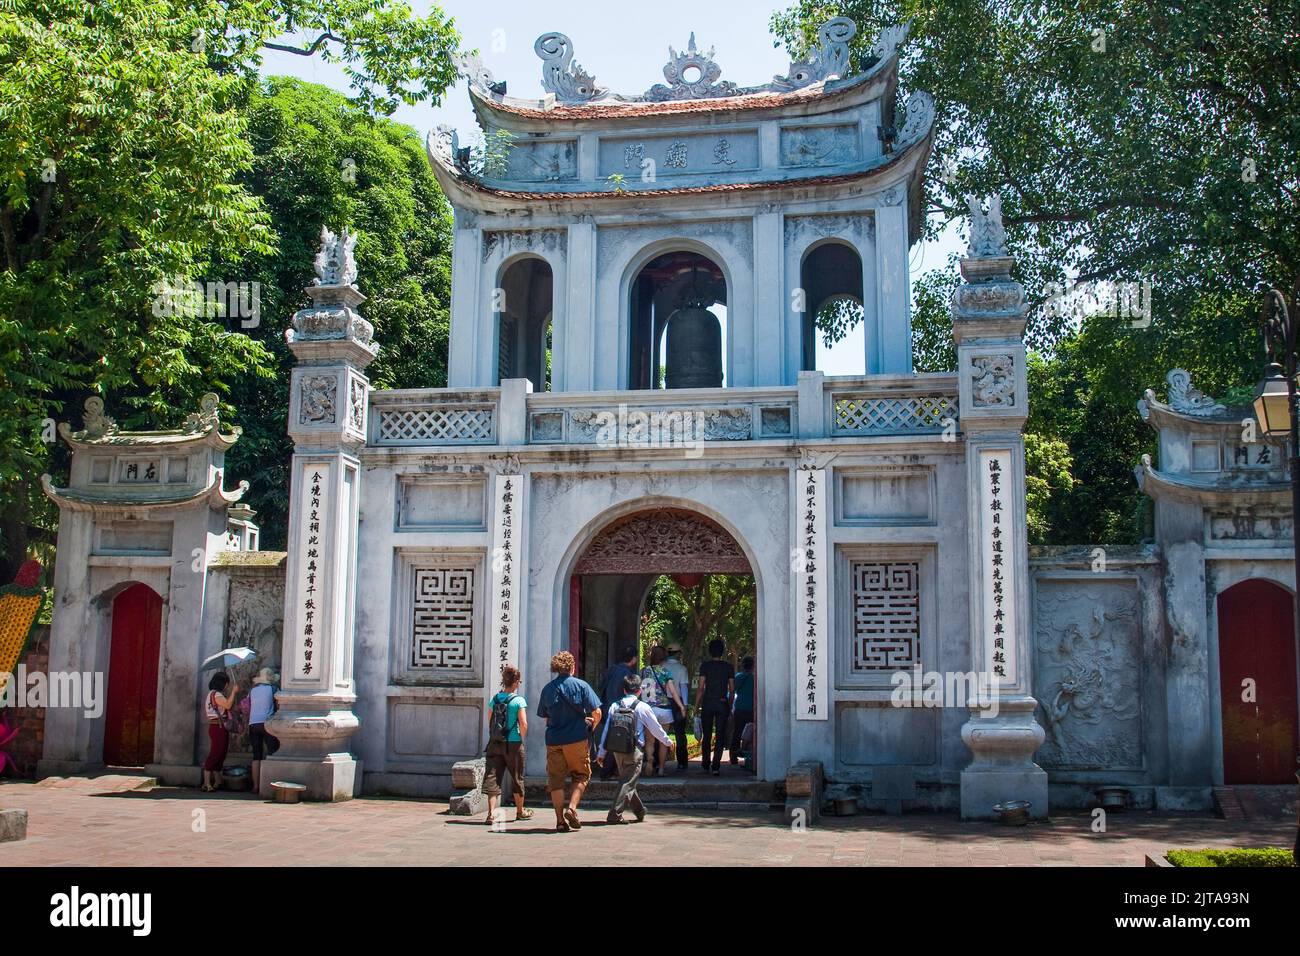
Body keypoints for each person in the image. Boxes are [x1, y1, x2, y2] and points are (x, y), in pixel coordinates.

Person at [536, 651, 602, 832]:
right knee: (581, 775)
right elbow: (597, 713)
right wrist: (590, 728)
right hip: (576, 739)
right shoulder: (581, 686)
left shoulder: (548, 689)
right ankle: (572, 808)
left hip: (553, 740)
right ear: (572, 667)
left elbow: (545, 717)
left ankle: (559, 821)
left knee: (555, 780)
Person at [595, 674, 674, 824]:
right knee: (627, 782)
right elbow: (655, 728)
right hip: (634, 750)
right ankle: (615, 814)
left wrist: (601, 753)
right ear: (640, 690)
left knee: (628, 780)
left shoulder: (614, 706)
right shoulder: (643, 707)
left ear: (624, 690)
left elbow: (607, 731)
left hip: (617, 750)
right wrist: (668, 742)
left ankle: (639, 811)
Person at [483, 664, 532, 825]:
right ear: (516, 681)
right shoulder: (518, 700)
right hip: (513, 744)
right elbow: (524, 724)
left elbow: (489, 720)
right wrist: (519, 736)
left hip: (495, 743)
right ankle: (520, 811)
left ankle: (491, 813)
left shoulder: (495, 699)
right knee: (517, 777)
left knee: (493, 777)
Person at [639, 645, 685, 777]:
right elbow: (673, 691)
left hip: (649, 710)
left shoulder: (644, 671)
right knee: (663, 740)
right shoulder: (665, 672)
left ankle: (649, 761)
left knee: (649, 741)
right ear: (663, 658)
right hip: (664, 709)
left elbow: (641, 691)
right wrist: (681, 706)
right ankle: (661, 769)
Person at [597, 645, 639, 780]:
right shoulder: (628, 674)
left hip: (607, 707)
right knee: (617, 740)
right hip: (620, 709)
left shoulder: (611, 670)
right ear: (633, 659)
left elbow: (601, 687)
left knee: (608, 738)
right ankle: (609, 771)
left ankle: (609, 769)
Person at [694, 639, 734, 775]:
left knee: (707, 734)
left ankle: (705, 764)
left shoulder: (705, 666)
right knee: (720, 735)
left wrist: (696, 705)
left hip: (708, 703)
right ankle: (716, 766)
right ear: (722, 651)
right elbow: (732, 689)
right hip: (722, 702)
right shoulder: (728, 667)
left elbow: (700, 687)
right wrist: (730, 705)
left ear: (710, 651)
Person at [201, 672, 239, 792]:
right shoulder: (216, 695)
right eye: (227, 683)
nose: (227, 686)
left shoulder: (212, 694)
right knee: (216, 753)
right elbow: (227, 705)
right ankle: (206, 782)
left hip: (219, 726)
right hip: (218, 727)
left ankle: (218, 780)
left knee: (221, 753)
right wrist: (233, 692)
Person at [247, 667, 280, 794]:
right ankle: (269, 784)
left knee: (256, 755)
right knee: (272, 752)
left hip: (253, 723)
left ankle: (256, 786)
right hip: (267, 723)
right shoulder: (273, 689)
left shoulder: (253, 690)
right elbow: (278, 705)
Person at [663, 643, 690, 772]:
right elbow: (684, 688)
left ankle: (658, 762)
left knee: (661, 732)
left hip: (663, 702)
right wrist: (684, 706)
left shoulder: (661, 667)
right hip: (677, 702)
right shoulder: (682, 669)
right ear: (679, 653)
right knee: (680, 733)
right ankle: (682, 762)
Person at [730, 656, 755, 766]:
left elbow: (732, 690)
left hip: (739, 708)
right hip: (752, 710)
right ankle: (749, 756)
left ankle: (733, 757)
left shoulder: (738, 677)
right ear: (753, 665)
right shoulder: (755, 678)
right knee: (751, 733)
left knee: (737, 732)